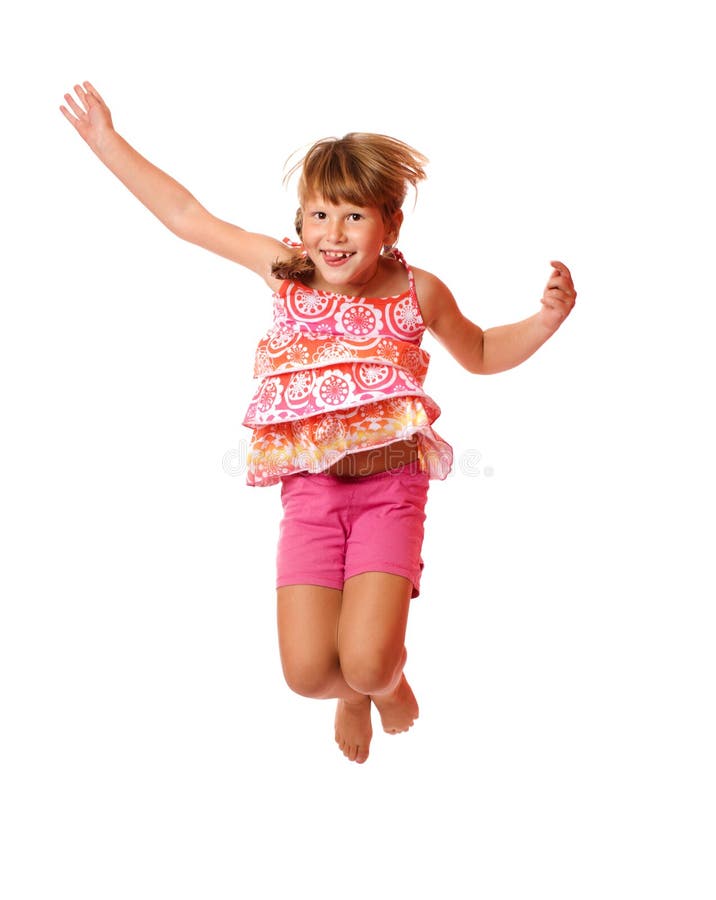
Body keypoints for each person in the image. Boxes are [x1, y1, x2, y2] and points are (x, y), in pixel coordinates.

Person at [60, 81, 576, 764]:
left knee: (367, 660)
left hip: (390, 491)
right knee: (307, 675)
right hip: (309, 495)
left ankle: (379, 686)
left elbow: (479, 351)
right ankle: (353, 693)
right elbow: (187, 215)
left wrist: (544, 321)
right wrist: (106, 142)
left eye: (354, 217)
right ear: (300, 225)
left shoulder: (418, 291)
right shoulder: (289, 271)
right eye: (319, 215)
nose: (333, 234)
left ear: (390, 224)